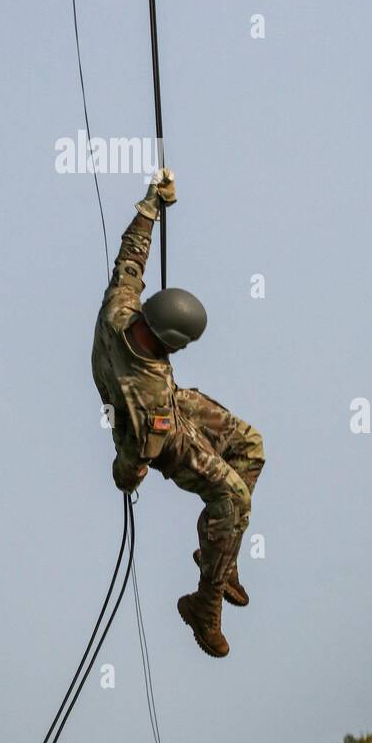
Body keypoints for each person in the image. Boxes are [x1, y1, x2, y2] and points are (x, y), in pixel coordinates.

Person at [91, 168, 265, 658]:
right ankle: (204, 604)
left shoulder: (120, 310)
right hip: (161, 431)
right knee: (231, 498)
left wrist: (151, 204)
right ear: (171, 343)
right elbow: (134, 461)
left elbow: (130, 259)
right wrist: (126, 475)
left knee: (250, 445)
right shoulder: (147, 405)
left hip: (170, 400)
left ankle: (220, 551)